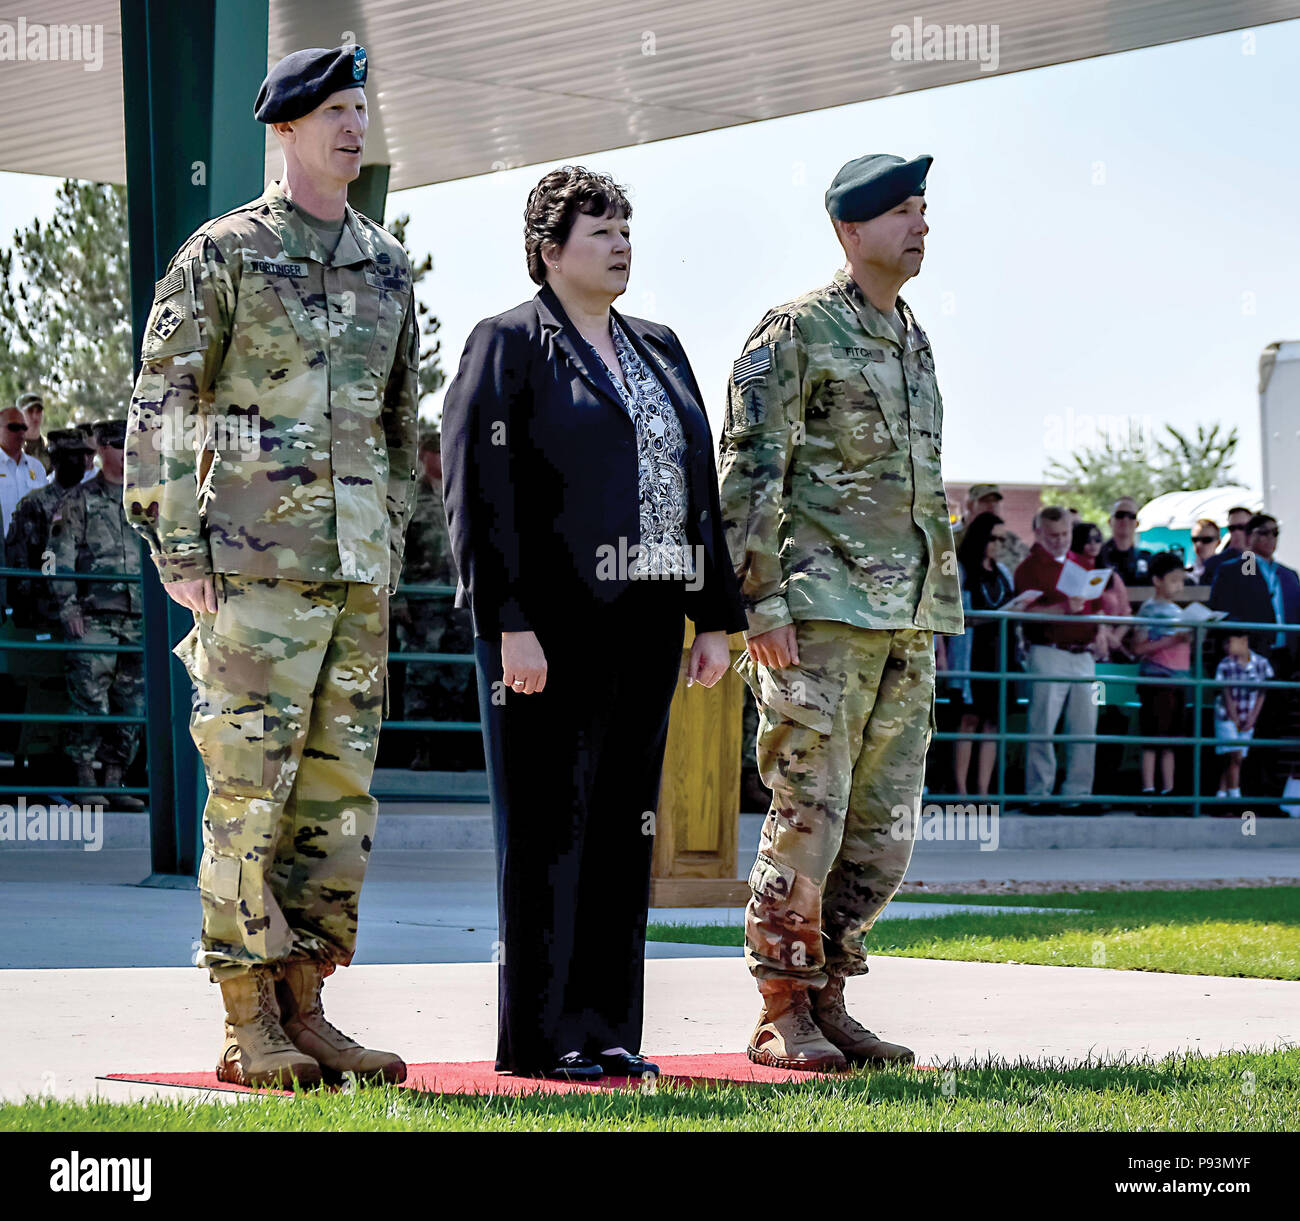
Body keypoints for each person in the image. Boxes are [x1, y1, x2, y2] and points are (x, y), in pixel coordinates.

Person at [124, 45, 417, 1089]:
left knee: (336, 800)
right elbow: (163, 404)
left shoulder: (386, 264)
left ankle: (309, 1004)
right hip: (250, 571)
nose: (354, 126)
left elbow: (397, 423)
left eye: (362, 109)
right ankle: (249, 1016)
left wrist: (389, 538)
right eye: (336, 109)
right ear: (283, 127)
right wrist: (174, 544)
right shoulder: (224, 255)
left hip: (354, 577)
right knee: (250, 793)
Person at [442, 165, 745, 1083]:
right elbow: (477, 493)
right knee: (549, 830)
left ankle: (610, 1029)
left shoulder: (660, 345)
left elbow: (700, 488)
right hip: (548, 632)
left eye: (626, 226)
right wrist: (507, 623)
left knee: (624, 830)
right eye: (600, 229)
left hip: (648, 625)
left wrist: (716, 617)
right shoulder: (507, 343)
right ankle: (543, 1036)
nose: (621, 243)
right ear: (549, 250)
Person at [718, 152, 962, 1072]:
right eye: (903, 211)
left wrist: (932, 607)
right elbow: (747, 475)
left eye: (925, 210)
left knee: (885, 825)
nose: (921, 225)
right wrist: (759, 602)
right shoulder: (795, 332)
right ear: (849, 231)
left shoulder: (914, 338)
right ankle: (781, 1007)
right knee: (807, 815)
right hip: (815, 615)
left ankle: (832, 993)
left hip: (905, 617)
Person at [47, 420, 145, 811]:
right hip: (94, 617)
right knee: (90, 702)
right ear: (102, 449)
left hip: (138, 618)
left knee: (133, 707)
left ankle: (115, 780)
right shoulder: (78, 500)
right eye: (118, 445)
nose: (125, 452)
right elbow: (57, 558)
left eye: (130, 445)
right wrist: (68, 606)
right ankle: (86, 780)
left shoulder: (144, 499)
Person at [4, 428, 95, 778]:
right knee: (47, 694)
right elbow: (24, 565)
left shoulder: (94, 501)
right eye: (73, 456)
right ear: (57, 461)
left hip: (90, 614)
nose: (82, 462)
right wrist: (37, 610)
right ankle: (44, 767)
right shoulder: (36, 504)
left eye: (86, 455)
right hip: (46, 618)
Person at [391, 427, 476, 770]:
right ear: (424, 455)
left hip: (459, 602)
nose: (441, 457)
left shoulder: (464, 490)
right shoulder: (411, 497)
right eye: (434, 451)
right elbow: (395, 549)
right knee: (420, 675)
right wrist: (397, 600)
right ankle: (421, 749)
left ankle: (450, 749)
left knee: (456, 676)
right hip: (422, 604)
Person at [1014, 506, 1101, 809]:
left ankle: (1077, 795)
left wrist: (1099, 632)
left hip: (1083, 653)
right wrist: (1062, 609)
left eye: (1065, 534)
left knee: (1084, 728)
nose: (1059, 540)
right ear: (1038, 532)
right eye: (1052, 535)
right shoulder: (1028, 568)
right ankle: (1038, 794)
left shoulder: (1083, 563)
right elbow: (1024, 611)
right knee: (1043, 726)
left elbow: (1096, 606)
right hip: (1047, 650)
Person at [1209, 514, 1300, 801]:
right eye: (1263, 533)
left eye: (1275, 533)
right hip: (1248, 661)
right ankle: (1242, 796)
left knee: (1276, 727)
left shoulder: (1288, 575)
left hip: (1284, 658)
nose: (1270, 539)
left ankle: (1270, 796)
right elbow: (1221, 612)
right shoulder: (1236, 569)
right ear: (1248, 537)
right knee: (1245, 729)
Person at [952, 512, 1031, 796]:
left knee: (993, 722)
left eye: (1002, 539)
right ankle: (961, 791)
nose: (997, 544)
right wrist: (998, 615)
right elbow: (959, 616)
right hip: (973, 653)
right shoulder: (963, 571)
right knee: (969, 720)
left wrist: (1016, 610)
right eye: (993, 538)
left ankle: (983, 791)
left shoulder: (1003, 572)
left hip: (1002, 654)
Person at [1129, 552, 1193, 812]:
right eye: (1174, 580)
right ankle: (1148, 792)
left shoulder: (1179, 611)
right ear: (1157, 580)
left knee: (1171, 741)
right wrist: (1173, 640)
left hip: (1178, 680)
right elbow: (1138, 647)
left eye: (1182, 581)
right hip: (1156, 679)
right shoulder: (1149, 609)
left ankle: (1169, 791)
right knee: (1153, 739)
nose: (1179, 586)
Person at [1213, 630, 1273, 804]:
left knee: (1235, 759)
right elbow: (1226, 692)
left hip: (1248, 714)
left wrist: (1253, 717)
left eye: (1229, 642)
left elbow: (1262, 693)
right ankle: (1235, 797)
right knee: (1235, 754)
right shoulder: (1224, 664)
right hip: (1225, 715)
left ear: (1243, 640)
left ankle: (1221, 794)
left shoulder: (1261, 663)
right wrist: (1233, 716)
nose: (1226, 647)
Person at [1069, 520, 1132, 660]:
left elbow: (1126, 614)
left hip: (1108, 647)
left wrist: (1115, 638)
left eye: (1097, 540)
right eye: (1087, 540)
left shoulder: (1111, 576)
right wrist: (1103, 633)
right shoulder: (1071, 573)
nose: (1093, 545)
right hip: (1082, 643)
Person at [1098, 497, 1154, 586]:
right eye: (1120, 515)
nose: (1125, 520)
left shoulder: (1147, 558)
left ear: (1137, 523)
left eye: (1131, 516)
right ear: (1109, 521)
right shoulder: (1098, 556)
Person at [1201, 506, 1251, 588]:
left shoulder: (1262, 561)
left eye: (1242, 527)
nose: (1237, 532)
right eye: (1232, 528)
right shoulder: (1214, 563)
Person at [950, 483, 1002, 551]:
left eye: (995, 501)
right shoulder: (950, 537)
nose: (992, 505)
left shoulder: (1006, 540)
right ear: (970, 504)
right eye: (986, 500)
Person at [17, 392, 51, 473]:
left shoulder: (50, 448)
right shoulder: (10, 449)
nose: (35, 416)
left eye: (38, 411)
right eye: (30, 411)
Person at [1187, 519, 1220, 585]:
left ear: (1218, 542)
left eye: (1206, 540)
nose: (1198, 544)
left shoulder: (1225, 572)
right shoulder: (1187, 574)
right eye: (1195, 540)